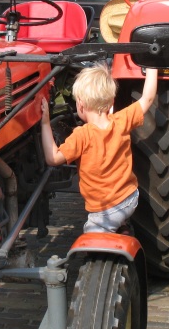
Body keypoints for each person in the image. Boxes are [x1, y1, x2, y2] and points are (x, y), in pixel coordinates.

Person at [40, 63, 157, 233]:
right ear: (111, 102)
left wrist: (45, 122)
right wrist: (152, 66)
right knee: (116, 223)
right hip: (130, 199)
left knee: (92, 239)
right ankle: (122, 229)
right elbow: (147, 98)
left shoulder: (82, 135)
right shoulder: (121, 121)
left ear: (80, 105)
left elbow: (53, 158)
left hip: (106, 210)